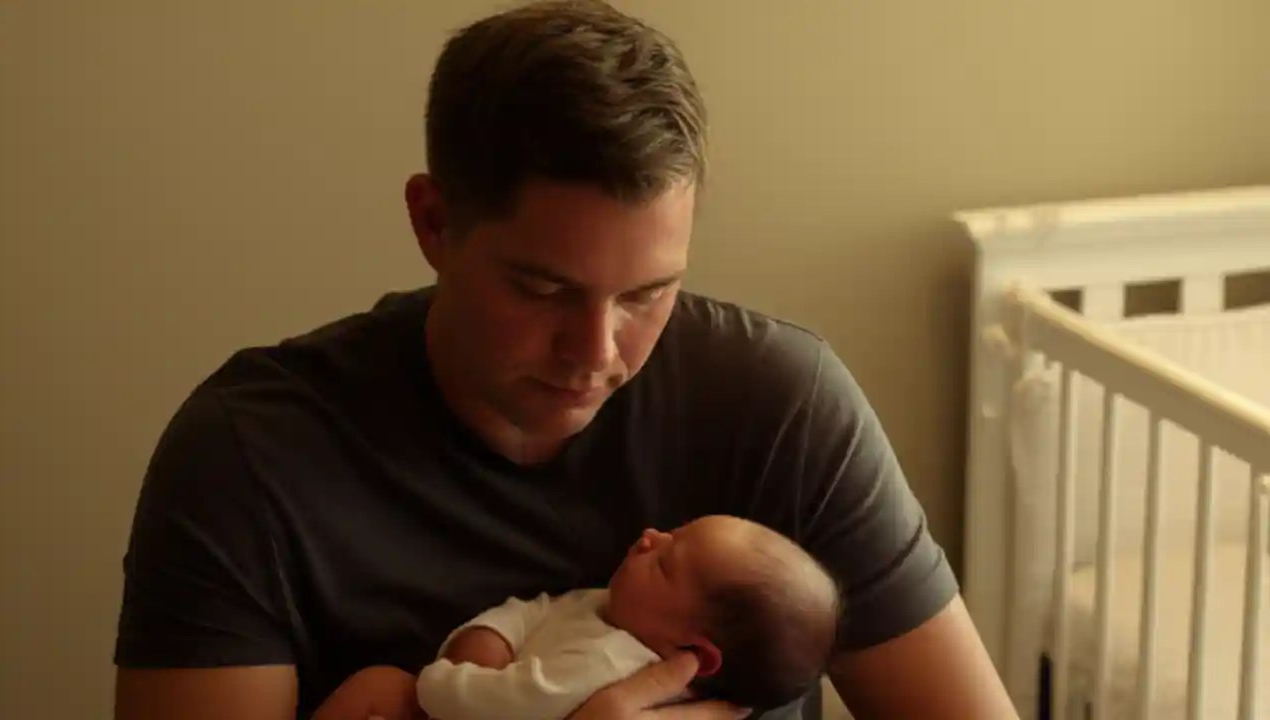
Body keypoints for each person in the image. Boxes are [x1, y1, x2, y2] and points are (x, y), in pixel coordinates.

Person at [113, 1, 1018, 719]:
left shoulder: (781, 405)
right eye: (543, 290)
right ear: (434, 223)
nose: (597, 356)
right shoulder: (250, 458)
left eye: (645, 295)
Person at [315, 516, 839, 720]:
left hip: (475, 708)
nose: (652, 535)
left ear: (695, 654)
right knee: (379, 685)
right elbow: (538, 609)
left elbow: (505, 702)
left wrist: (446, 679)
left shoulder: (609, 663)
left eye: (666, 561)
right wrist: (491, 635)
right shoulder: (612, 609)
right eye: (673, 532)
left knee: (382, 686)